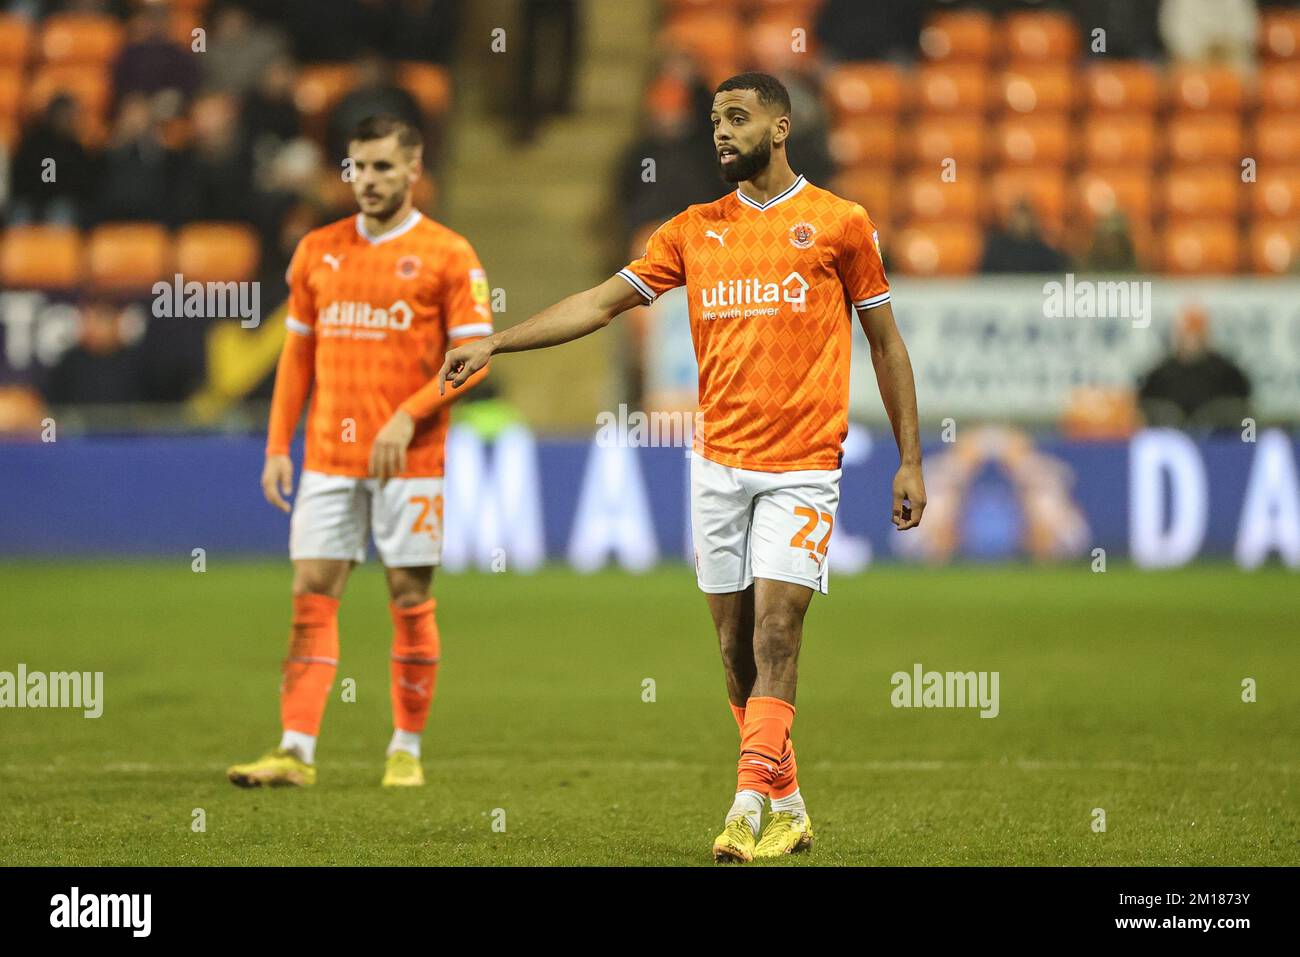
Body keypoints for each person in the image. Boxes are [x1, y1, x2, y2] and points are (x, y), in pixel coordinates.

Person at [439, 73, 926, 862]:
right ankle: (791, 805)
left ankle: (744, 809)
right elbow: (599, 303)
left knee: (778, 629)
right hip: (717, 467)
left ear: (779, 126)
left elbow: (886, 343)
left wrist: (910, 457)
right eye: (713, 121)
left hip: (804, 464)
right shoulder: (693, 230)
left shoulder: (840, 223)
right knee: (735, 652)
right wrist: (494, 340)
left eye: (737, 117)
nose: (721, 132)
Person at [226, 116, 494, 790]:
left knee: (408, 595)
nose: (367, 181)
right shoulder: (317, 249)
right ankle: (294, 749)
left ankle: (405, 746)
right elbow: (298, 354)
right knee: (311, 593)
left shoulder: (448, 254)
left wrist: (409, 414)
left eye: (381, 167)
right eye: (357, 168)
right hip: (326, 455)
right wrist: (276, 444)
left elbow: (474, 359)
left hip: (411, 458)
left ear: (412, 168)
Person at [1137, 304, 1252, 430]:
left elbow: (1241, 400)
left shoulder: (1224, 371)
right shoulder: (1162, 374)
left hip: (1217, 440)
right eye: (1188, 335)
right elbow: (1146, 404)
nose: (1191, 341)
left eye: (1196, 335)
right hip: (1172, 439)